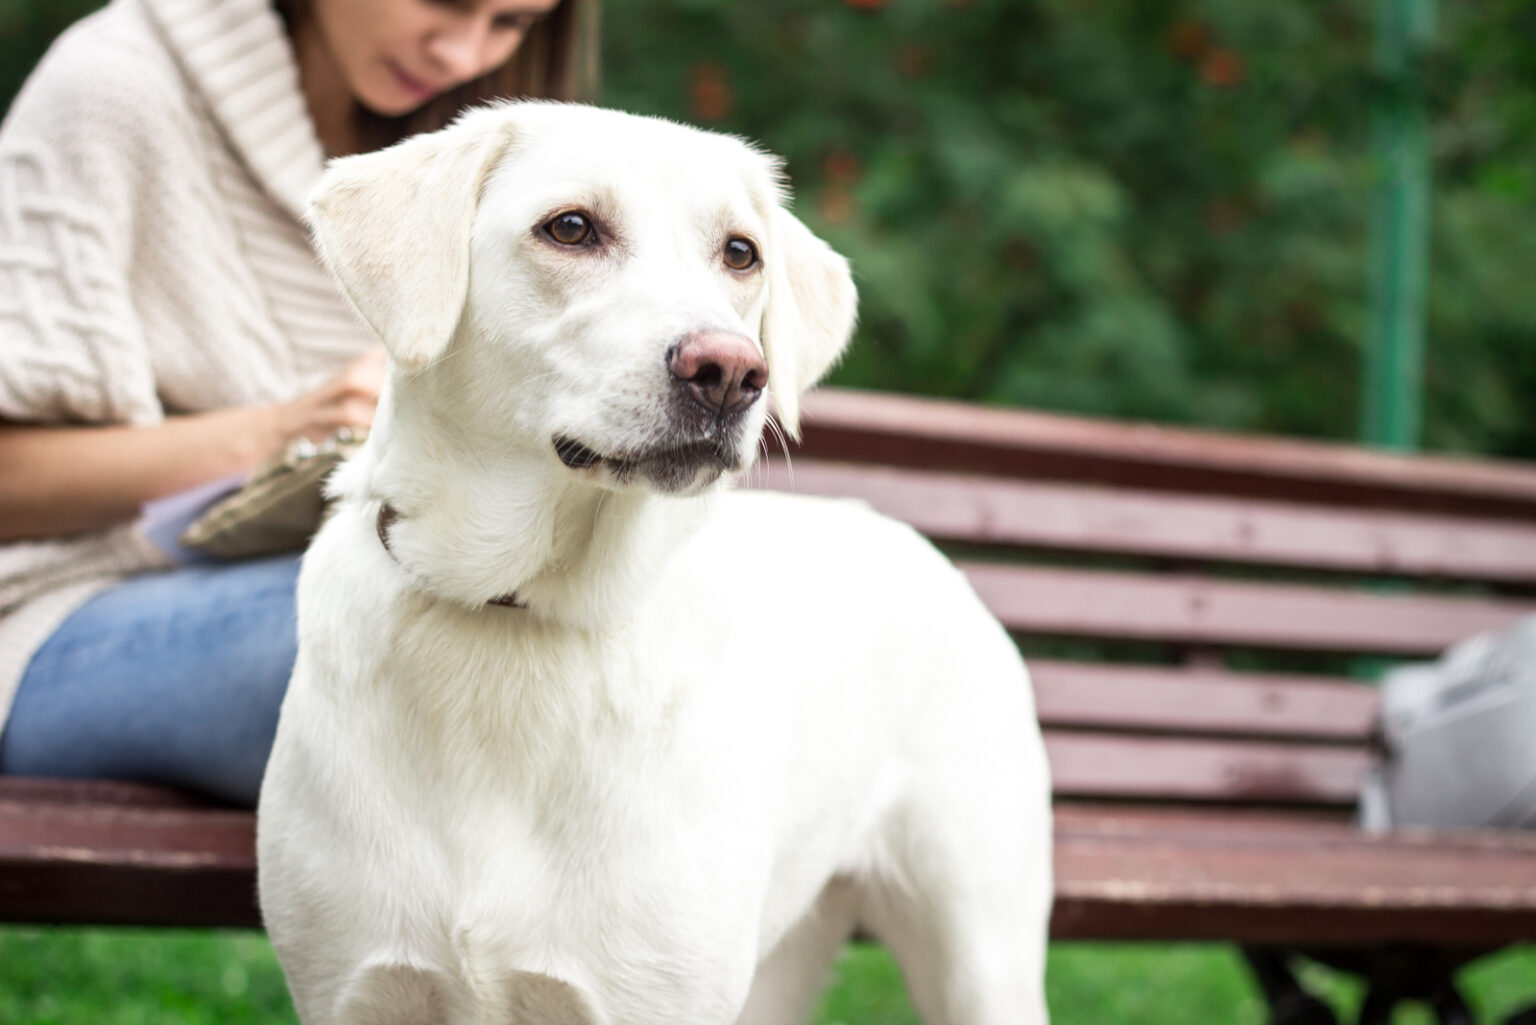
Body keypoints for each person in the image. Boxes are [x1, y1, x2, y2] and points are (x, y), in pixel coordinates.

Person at [0, 0, 597, 804]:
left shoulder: (487, 161)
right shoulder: (113, 87)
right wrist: (283, 431)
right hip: (54, 618)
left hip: (367, 578)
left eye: (510, 23)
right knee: (434, 642)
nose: (461, 53)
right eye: (445, 1)